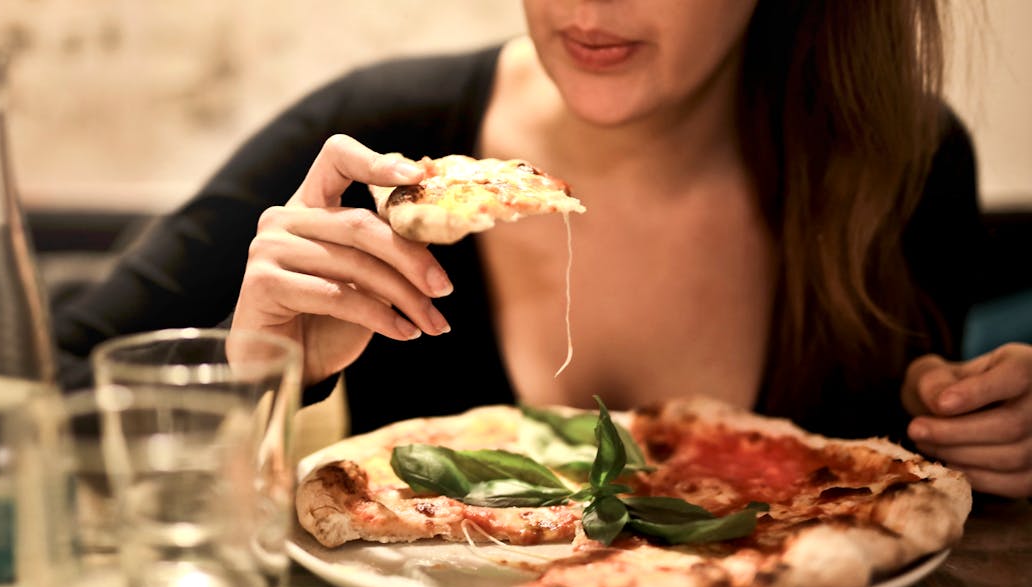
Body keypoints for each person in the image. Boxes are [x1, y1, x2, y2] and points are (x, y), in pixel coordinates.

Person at [55, 0, 1032, 498]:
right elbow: (19, 406)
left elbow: (906, 491)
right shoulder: (375, 141)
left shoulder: (903, 158)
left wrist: (982, 425)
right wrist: (252, 377)